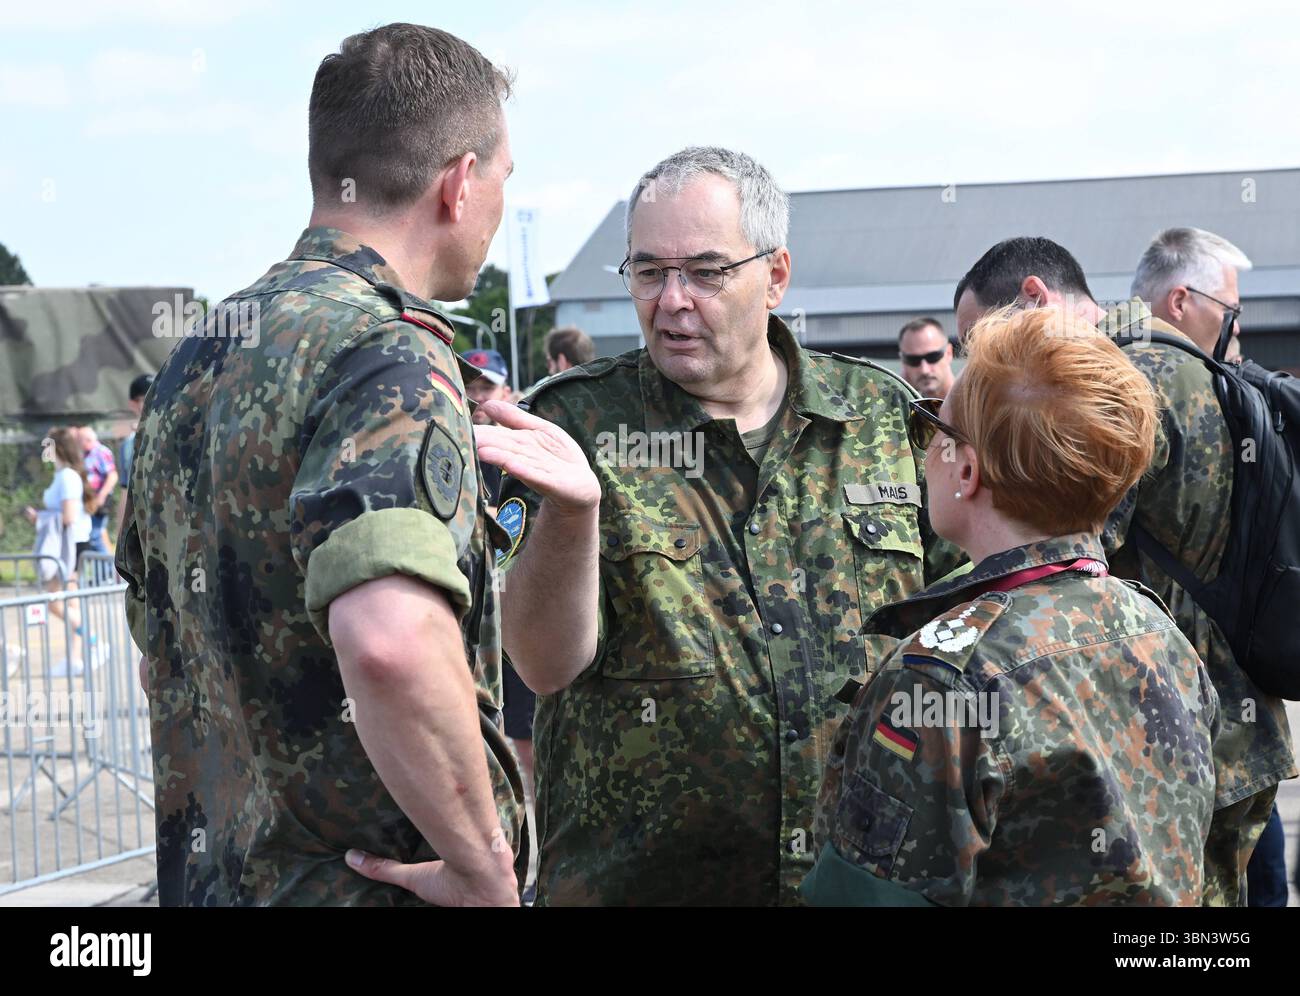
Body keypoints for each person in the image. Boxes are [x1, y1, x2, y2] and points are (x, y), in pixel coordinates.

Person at [477, 146, 960, 905]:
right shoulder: (570, 426)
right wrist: (573, 519)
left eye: (705, 272)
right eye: (647, 272)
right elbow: (542, 665)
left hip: (859, 883)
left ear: (775, 276)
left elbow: (968, 623)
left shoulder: (881, 416)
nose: (671, 300)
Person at [116, 22, 527, 906]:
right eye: (503, 177)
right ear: (460, 183)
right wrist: (485, 863)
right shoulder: (388, 356)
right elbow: (388, 640)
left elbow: (158, 643)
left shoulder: (203, 351)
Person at [803, 308, 1219, 906]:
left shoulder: (939, 679)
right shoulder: (1161, 632)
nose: (924, 453)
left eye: (933, 430)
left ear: (967, 470)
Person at [952, 235, 1295, 906]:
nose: (982, 367)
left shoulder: (1114, 382)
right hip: (1227, 719)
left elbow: (1058, 556)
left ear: (1034, 299)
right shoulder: (1180, 361)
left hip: (1169, 733)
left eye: (980, 341)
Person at [23, 427, 94, 673]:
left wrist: (40, 518)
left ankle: (91, 639)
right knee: (70, 602)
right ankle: (76, 657)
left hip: (69, 546)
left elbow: (68, 516)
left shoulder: (67, 477)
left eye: (48, 445)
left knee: (54, 602)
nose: (44, 450)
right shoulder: (63, 475)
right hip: (68, 543)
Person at [1132, 227, 1249, 357]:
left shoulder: (1115, 357)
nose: (1236, 329)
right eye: (1228, 311)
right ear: (1178, 304)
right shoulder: (1182, 374)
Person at [461, 347, 513, 507]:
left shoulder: (515, 449)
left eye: (487, 388)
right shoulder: (444, 443)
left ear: (505, 394)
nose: (477, 396)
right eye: (468, 387)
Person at [114, 373, 153, 540]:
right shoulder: (129, 445)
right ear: (133, 404)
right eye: (147, 397)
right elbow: (125, 493)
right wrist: (121, 540)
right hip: (146, 529)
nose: (155, 400)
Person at [79, 425, 118, 558]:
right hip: (88, 500)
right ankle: (105, 573)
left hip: (98, 500)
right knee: (94, 535)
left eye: (80, 440)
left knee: (95, 535)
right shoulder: (85, 454)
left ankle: (106, 574)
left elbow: (112, 476)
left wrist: (101, 496)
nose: (78, 443)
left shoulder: (101, 452)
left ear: (88, 439)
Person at [896, 317, 954, 398]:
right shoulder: (903, 407)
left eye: (932, 357)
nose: (924, 370)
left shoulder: (973, 404)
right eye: (913, 360)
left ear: (949, 353)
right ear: (903, 361)